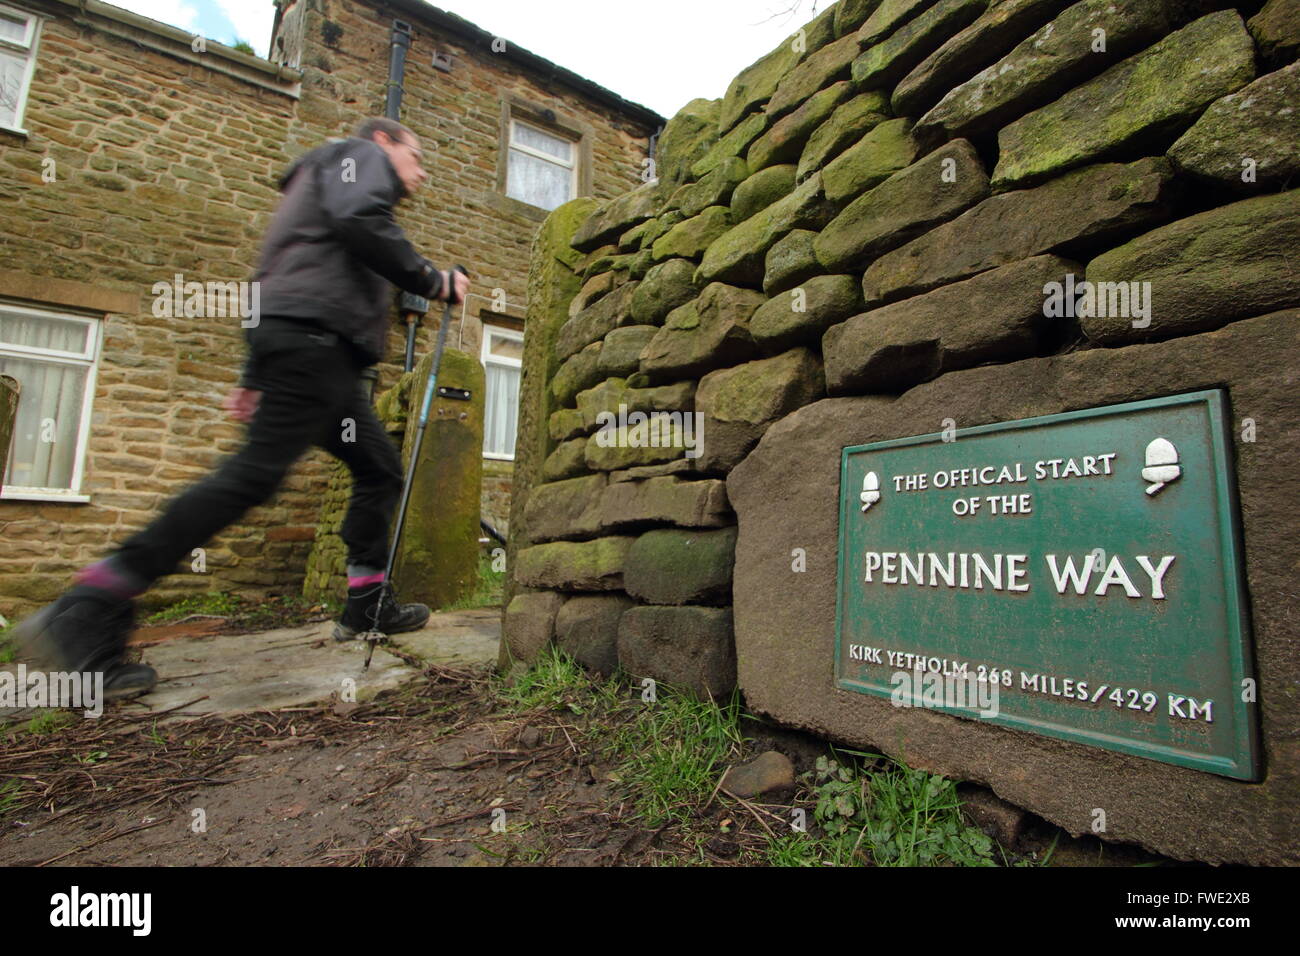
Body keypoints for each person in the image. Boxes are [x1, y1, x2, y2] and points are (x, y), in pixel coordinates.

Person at [16, 117, 470, 701]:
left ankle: (365, 601)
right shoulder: (358, 156)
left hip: (318, 353)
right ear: (384, 141)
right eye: (417, 154)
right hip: (314, 343)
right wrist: (432, 279)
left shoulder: (315, 181)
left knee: (377, 469)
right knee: (253, 477)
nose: (422, 170)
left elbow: (272, 271)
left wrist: (254, 372)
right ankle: (90, 605)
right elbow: (361, 222)